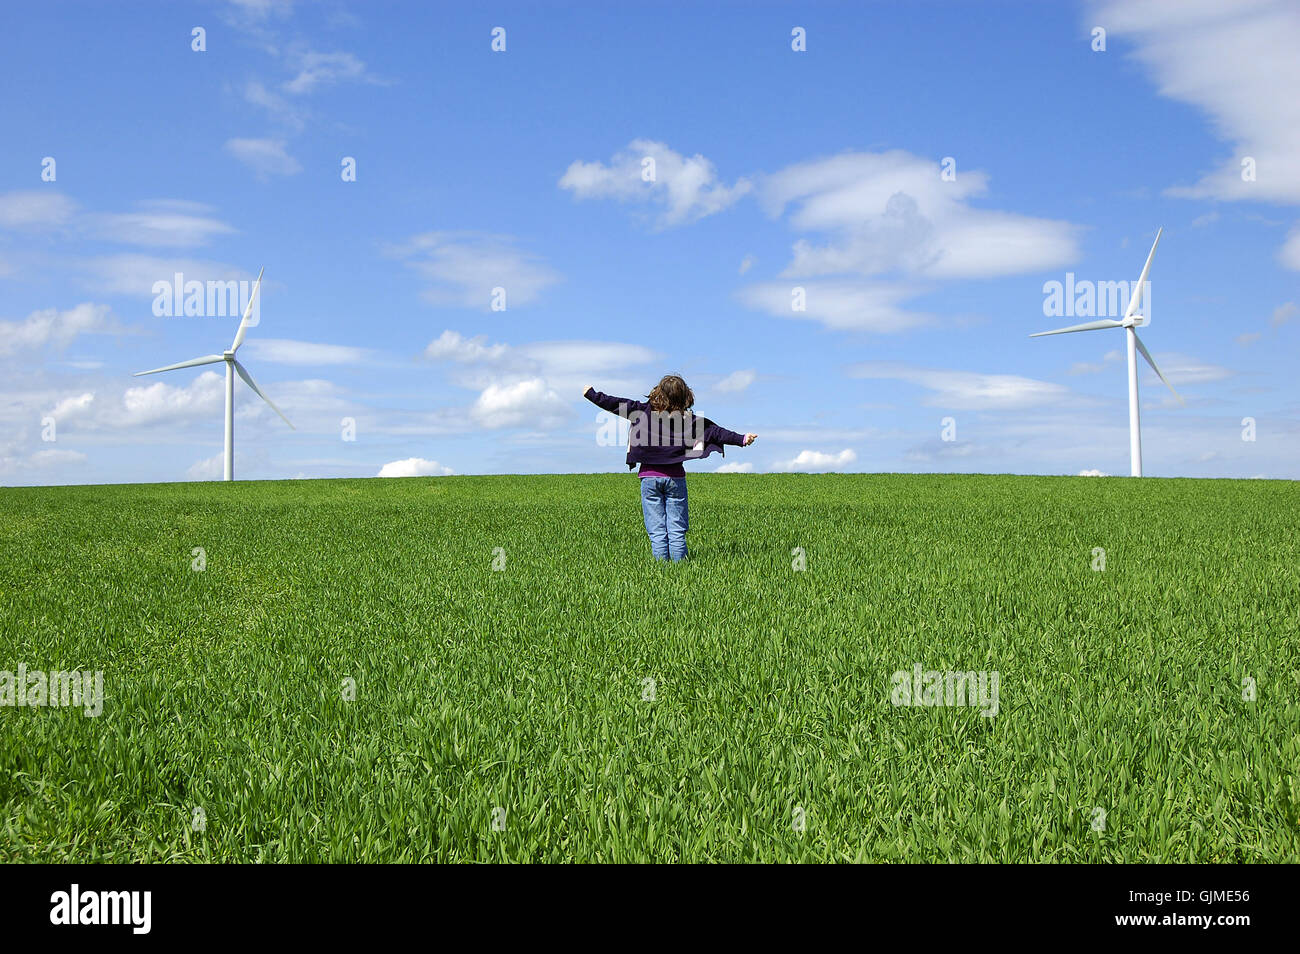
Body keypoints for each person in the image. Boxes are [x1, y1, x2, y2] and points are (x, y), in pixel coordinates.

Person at [583, 375, 757, 561]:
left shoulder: (640, 411)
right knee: (676, 530)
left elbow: (614, 404)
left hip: (648, 479)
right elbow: (716, 433)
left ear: (658, 392)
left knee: (657, 530)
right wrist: (741, 439)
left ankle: (662, 572)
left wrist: (591, 394)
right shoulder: (688, 420)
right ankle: (679, 570)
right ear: (685, 397)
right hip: (675, 479)